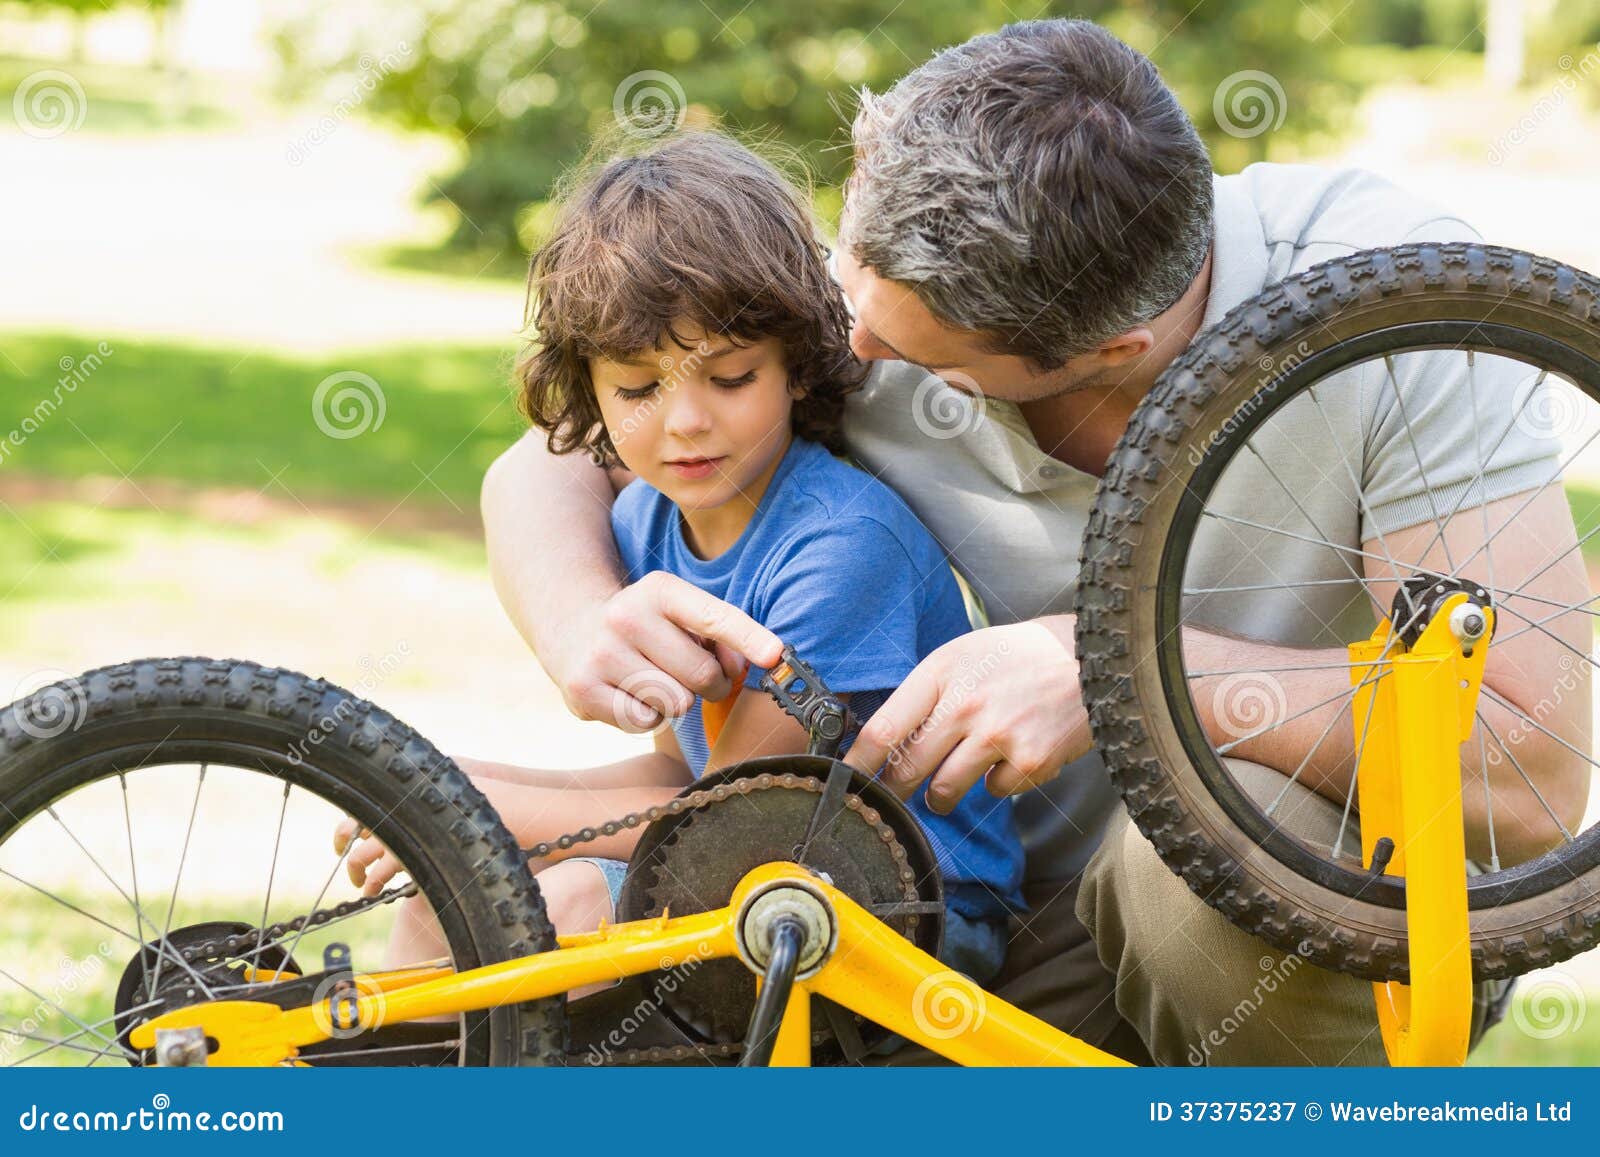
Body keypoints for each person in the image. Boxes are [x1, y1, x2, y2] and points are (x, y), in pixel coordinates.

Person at [481, 19, 1589, 1064]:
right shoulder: (891, 286)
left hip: (1279, 904)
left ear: (1112, 348)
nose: (849, 341)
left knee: (1187, 863)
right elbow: (554, 456)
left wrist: (1115, 669)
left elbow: (1527, 768)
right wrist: (581, 617)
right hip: (987, 909)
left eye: (909, 346)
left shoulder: (1385, 302)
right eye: (849, 276)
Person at [337, 130, 1024, 984]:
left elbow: (733, 816)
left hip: (908, 909)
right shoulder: (644, 523)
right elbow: (677, 769)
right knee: (448, 891)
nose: (685, 422)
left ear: (797, 369)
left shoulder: (842, 544)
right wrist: (467, 787)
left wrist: (484, 804)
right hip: (751, 867)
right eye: (636, 388)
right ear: (586, 385)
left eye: (730, 378)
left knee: (580, 902)